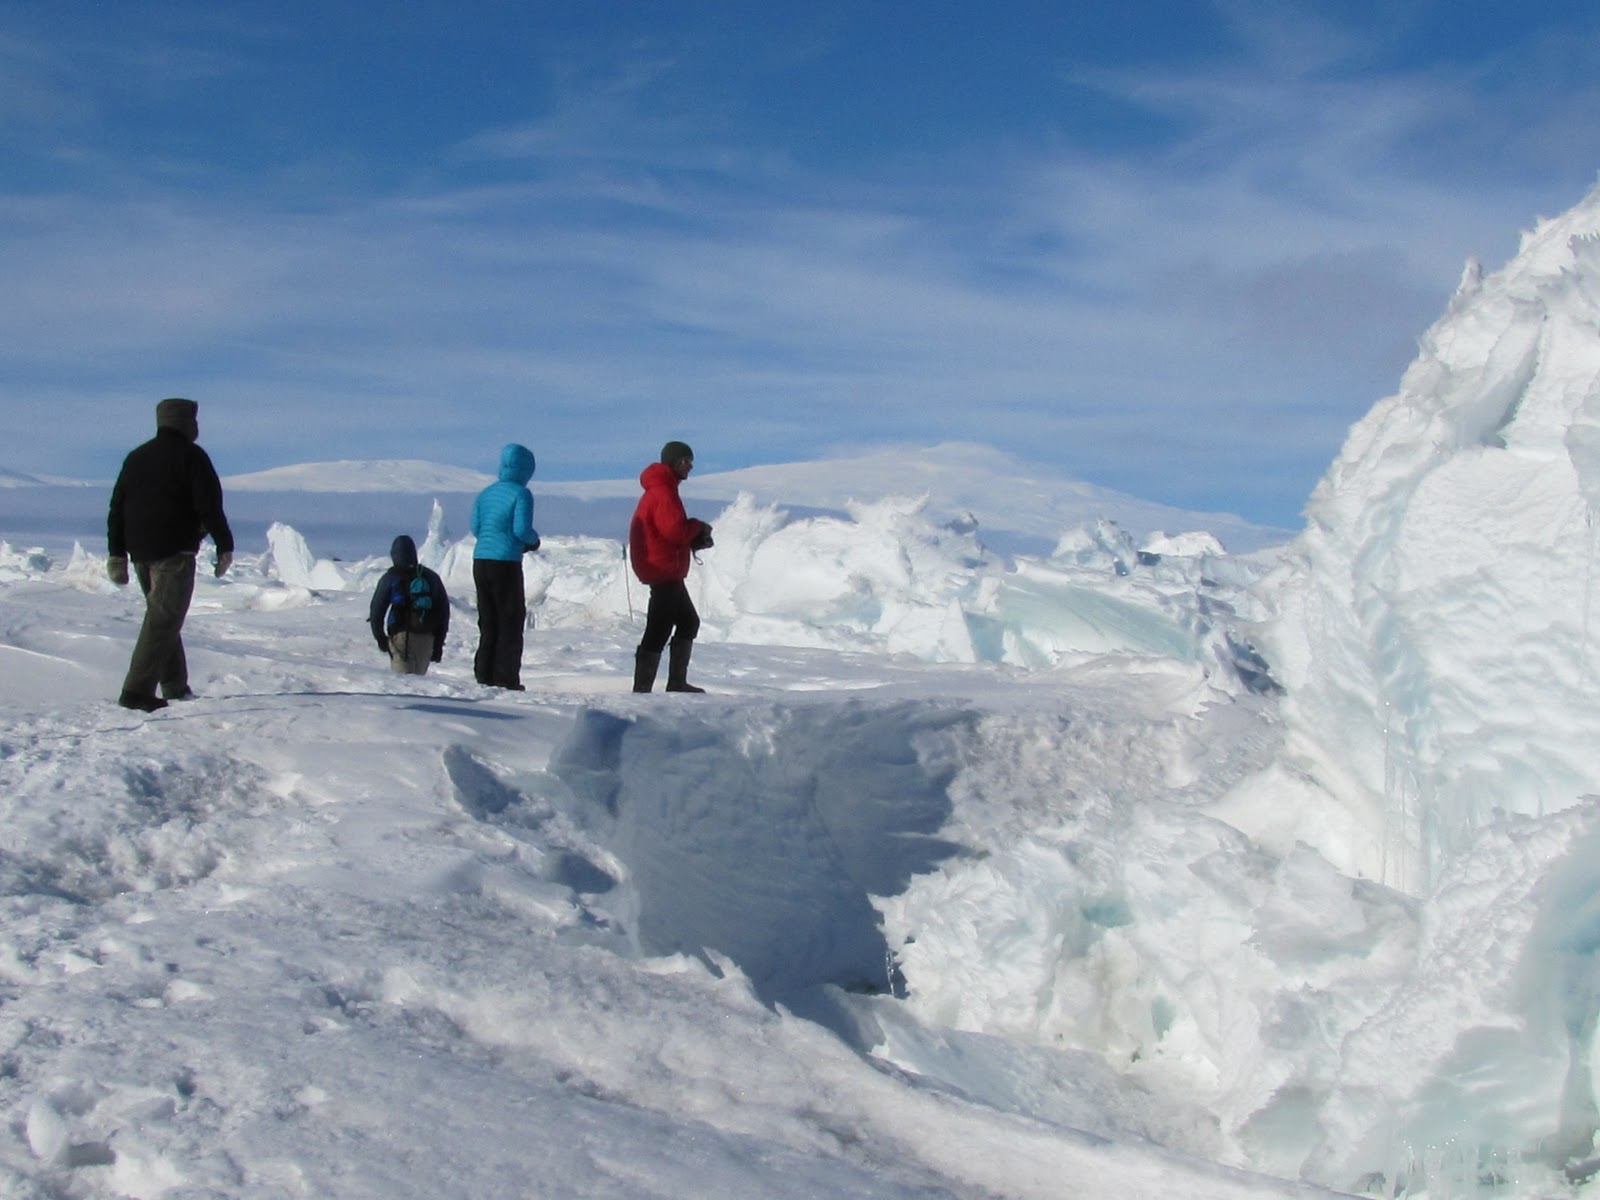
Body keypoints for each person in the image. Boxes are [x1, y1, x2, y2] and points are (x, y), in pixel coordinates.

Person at [106, 397, 234, 712]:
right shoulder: (191, 456)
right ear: (188, 424)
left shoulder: (136, 458)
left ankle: (175, 686)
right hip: (173, 552)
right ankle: (136, 691)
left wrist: (117, 553)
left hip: (139, 553)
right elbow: (209, 505)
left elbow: (117, 509)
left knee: (163, 616)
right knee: (164, 619)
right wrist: (224, 544)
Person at [629, 440, 713, 693]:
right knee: (660, 628)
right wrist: (698, 527)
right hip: (662, 569)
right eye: (686, 461)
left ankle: (674, 683)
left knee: (687, 622)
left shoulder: (662, 489)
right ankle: (644, 690)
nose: (690, 466)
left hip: (664, 569)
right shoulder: (664, 492)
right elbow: (675, 530)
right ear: (675, 462)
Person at [470, 443, 540, 690]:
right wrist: (534, 541)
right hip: (506, 562)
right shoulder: (521, 494)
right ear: (526, 470)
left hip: (480, 561)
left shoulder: (486, 493)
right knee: (510, 620)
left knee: (488, 621)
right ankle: (506, 678)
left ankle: (483, 674)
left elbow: (476, 528)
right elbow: (521, 529)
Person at [368, 534, 450, 675]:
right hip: (426, 638)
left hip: (401, 638)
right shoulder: (430, 577)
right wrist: (438, 644)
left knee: (405, 688)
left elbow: (376, 610)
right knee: (417, 684)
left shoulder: (391, 577)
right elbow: (443, 611)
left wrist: (380, 638)